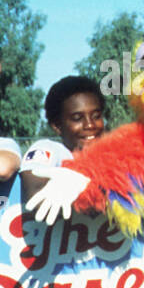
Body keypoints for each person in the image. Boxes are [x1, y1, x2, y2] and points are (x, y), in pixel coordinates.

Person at [19, 74, 106, 202]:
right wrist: (80, 187)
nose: (90, 125)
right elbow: (33, 190)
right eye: (77, 118)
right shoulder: (52, 149)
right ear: (57, 126)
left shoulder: (111, 154)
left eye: (96, 116)